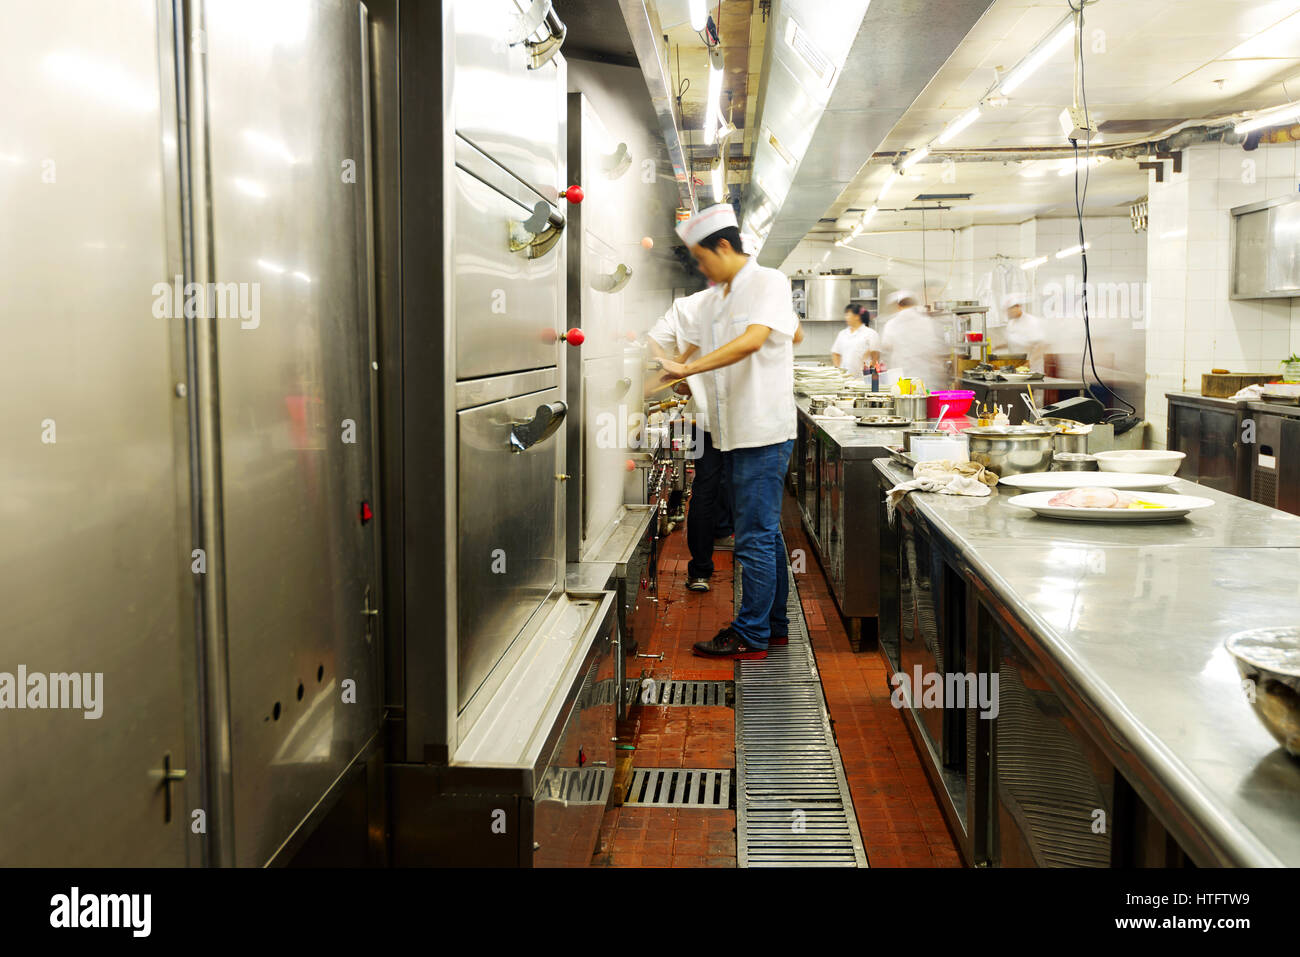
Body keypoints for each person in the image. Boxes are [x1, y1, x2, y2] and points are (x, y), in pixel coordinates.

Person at [656, 204, 797, 661]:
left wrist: (689, 366)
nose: (701, 269)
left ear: (723, 246)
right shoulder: (719, 300)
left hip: (762, 431)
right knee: (763, 533)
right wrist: (644, 383)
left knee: (753, 537)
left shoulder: (767, 282)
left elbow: (754, 341)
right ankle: (774, 626)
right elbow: (687, 349)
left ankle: (752, 633)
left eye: (703, 258)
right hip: (732, 433)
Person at [647, 289, 733, 593]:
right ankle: (747, 575)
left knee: (704, 489)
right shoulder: (751, 297)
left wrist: (680, 373)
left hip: (703, 415)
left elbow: (652, 344)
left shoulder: (685, 306)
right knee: (744, 489)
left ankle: (700, 572)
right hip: (744, 417)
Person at [880, 289, 948, 392]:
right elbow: (938, 354)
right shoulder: (928, 323)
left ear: (898, 306)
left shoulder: (891, 324)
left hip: (902, 382)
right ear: (914, 304)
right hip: (927, 380)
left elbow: (885, 351)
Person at [1000, 292, 1049, 373]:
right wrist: (995, 347)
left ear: (1017, 307)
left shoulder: (1031, 322)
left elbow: (1042, 346)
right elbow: (1014, 341)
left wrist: (1028, 364)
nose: (1007, 313)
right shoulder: (1011, 323)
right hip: (1018, 369)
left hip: (1033, 371)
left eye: (1009, 310)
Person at [830, 304, 881, 377]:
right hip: (844, 378)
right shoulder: (842, 334)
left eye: (848, 315)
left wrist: (869, 375)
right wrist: (838, 370)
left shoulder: (871, 333)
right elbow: (836, 353)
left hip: (863, 378)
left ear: (857, 316)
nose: (846, 317)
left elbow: (875, 357)